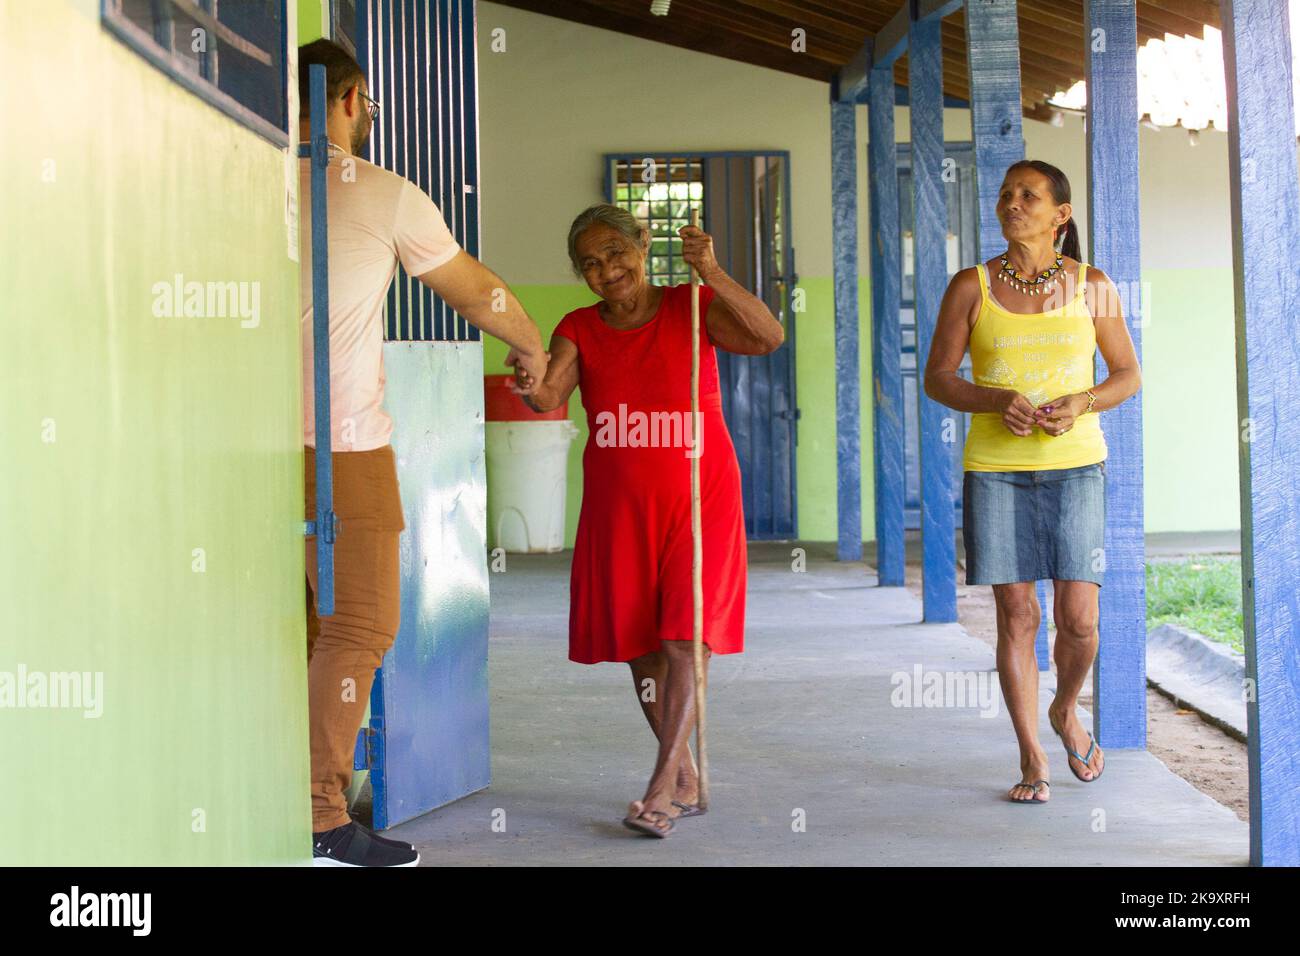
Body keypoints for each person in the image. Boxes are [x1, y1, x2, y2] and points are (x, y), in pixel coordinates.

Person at [298, 39, 547, 865]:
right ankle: (320, 816)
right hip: (339, 445)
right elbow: (476, 290)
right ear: (352, 96)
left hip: (239, 449)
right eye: (365, 104)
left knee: (300, 630)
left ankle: (281, 796)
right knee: (361, 623)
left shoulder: (236, 177)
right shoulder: (377, 191)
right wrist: (532, 343)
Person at [515, 204, 785, 837]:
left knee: (685, 639)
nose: (607, 270)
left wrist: (712, 272)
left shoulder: (690, 306)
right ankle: (685, 773)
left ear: (642, 244)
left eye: (616, 253)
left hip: (699, 499)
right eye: (590, 264)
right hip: (620, 510)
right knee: (641, 651)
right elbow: (548, 395)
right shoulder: (579, 327)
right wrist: (529, 377)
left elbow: (768, 337)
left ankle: (662, 786)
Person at [923, 160, 1142, 804]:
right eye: (1007, 194)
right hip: (995, 471)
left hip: (1076, 467)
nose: (1012, 203)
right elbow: (939, 377)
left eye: (1029, 195)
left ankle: (1065, 709)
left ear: (1060, 215)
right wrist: (994, 400)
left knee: (1079, 620)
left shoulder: (1092, 284)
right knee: (1017, 615)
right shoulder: (971, 286)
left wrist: (1084, 400)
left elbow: (1127, 373)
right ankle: (1030, 754)